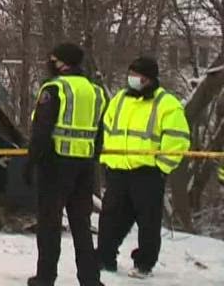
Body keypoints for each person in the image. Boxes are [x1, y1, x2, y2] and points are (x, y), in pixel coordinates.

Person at [96, 56, 191, 279]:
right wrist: (107, 160)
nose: (132, 78)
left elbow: (178, 139)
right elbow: (107, 129)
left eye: (137, 75)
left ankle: (144, 263)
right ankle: (104, 257)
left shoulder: (167, 104)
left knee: (148, 221)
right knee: (110, 217)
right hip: (118, 170)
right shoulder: (120, 99)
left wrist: (161, 168)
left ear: (149, 78)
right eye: (131, 74)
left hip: (147, 172)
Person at [26, 42, 107, 286]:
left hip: (55, 165)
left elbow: (42, 130)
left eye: (53, 59)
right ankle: (90, 279)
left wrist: (31, 161)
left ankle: (45, 277)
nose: (50, 62)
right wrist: (92, 161)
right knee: (82, 226)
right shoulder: (96, 91)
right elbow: (99, 133)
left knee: (49, 224)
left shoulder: (55, 88)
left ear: (62, 63)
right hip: (84, 167)